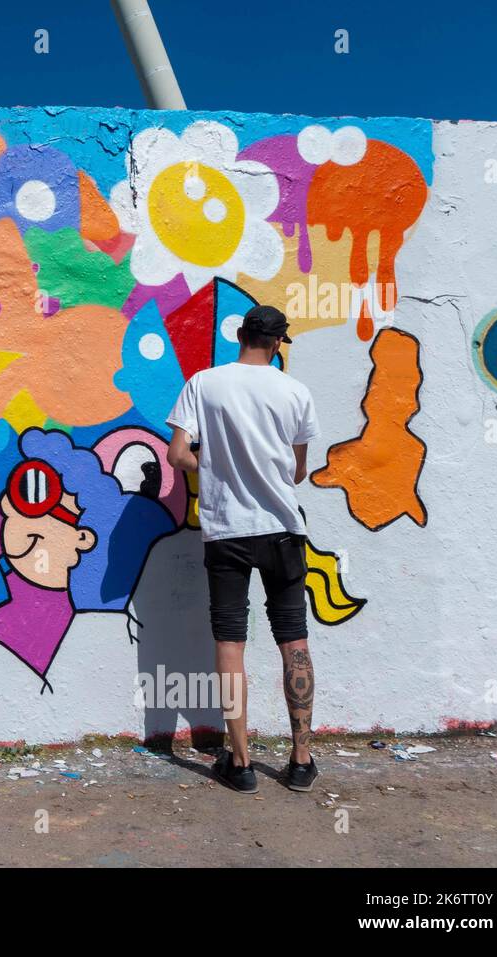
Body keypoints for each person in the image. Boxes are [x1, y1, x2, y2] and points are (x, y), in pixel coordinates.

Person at [165, 305, 320, 794]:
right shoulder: (294, 391)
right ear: (277, 344)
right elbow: (296, 472)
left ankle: (242, 762)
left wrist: (211, 465)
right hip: (281, 528)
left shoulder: (204, 383)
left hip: (227, 530)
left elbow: (177, 455)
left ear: (239, 335)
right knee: (293, 640)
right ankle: (300, 761)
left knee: (231, 643)